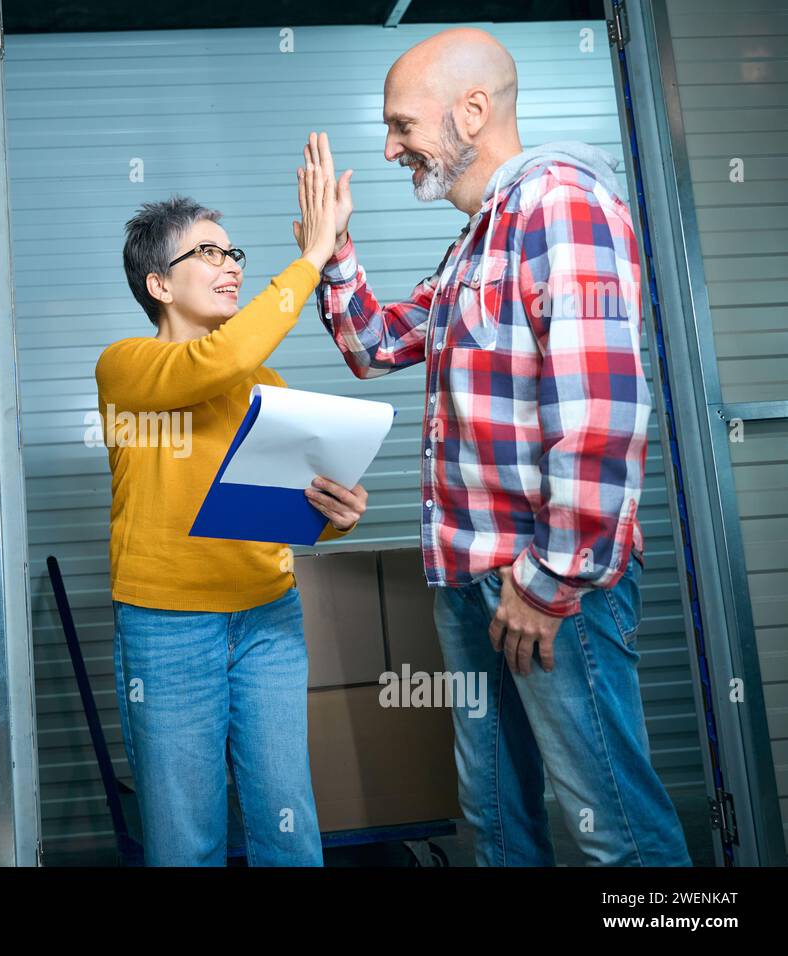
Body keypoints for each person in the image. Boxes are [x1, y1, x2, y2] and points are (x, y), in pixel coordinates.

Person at [305, 27, 690, 866]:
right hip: (469, 582)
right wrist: (331, 248)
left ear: (471, 111)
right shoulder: (478, 241)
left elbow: (601, 413)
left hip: (545, 585)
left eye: (403, 124)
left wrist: (549, 586)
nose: (390, 145)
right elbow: (375, 345)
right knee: (496, 820)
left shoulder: (561, 203)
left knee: (613, 831)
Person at [94, 166, 367, 866]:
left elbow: (282, 508)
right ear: (159, 284)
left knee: (288, 827)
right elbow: (220, 359)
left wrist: (336, 511)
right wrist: (312, 258)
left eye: (233, 253)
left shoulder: (264, 384)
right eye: (208, 253)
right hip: (166, 627)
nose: (230, 265)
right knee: (187, 838)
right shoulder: (126, 367)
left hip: (267, 620)